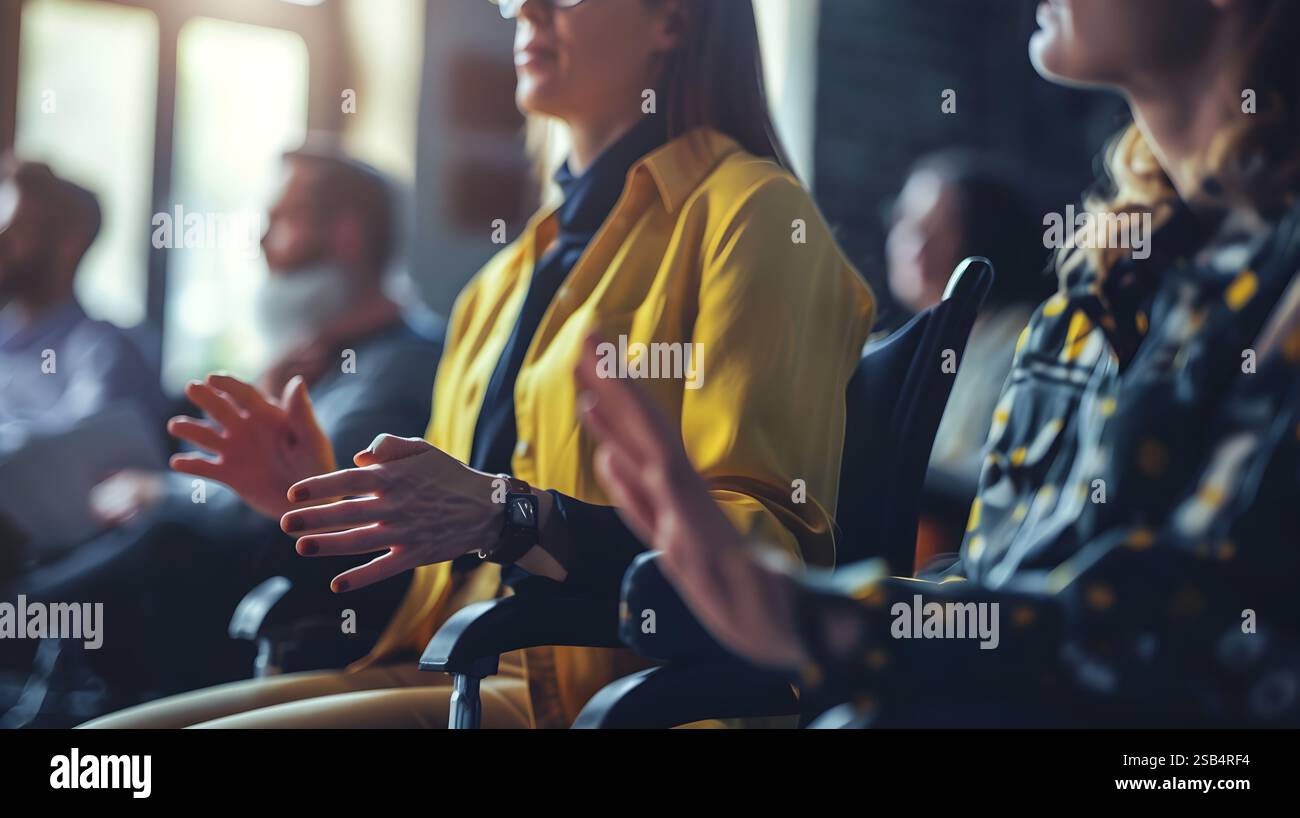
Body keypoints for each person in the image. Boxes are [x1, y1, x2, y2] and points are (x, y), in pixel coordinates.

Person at [83, 0, 874, 729]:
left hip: (604, 698)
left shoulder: (756, 215)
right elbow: (455, 567)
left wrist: (511, 514)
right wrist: (323, 508)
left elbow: (771, 555)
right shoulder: (499, 283)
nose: (525, 9)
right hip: (440, 663)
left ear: (670, 19)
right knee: (96, 753)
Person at [573, 0, 1300, 727]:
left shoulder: (1275, 285)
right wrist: (790, 603)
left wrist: (825, 620)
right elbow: (996, 591)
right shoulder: (1092, 297)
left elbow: (1201, 657)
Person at [4, 145, 442, 720]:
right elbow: (212, 464)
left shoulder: (399, 366)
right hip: (201, 600)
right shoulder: (311, 358)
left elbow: (303, 503)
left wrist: (160, 492)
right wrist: (260, 393)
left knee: (167, 536)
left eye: (281, 220)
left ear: (346, 234)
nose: (261, 241)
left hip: (276, 614)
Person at [883, 150, 1052, 565]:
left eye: (946, 228)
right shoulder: (909, 347)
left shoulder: (1027, 339)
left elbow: (996, 478)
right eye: (911, 225)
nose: (919, 245)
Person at [0, 158, 167, 461]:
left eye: (17, 230)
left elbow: (69, 461)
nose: (1, 242)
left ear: (69, 245)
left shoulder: (104, 353)